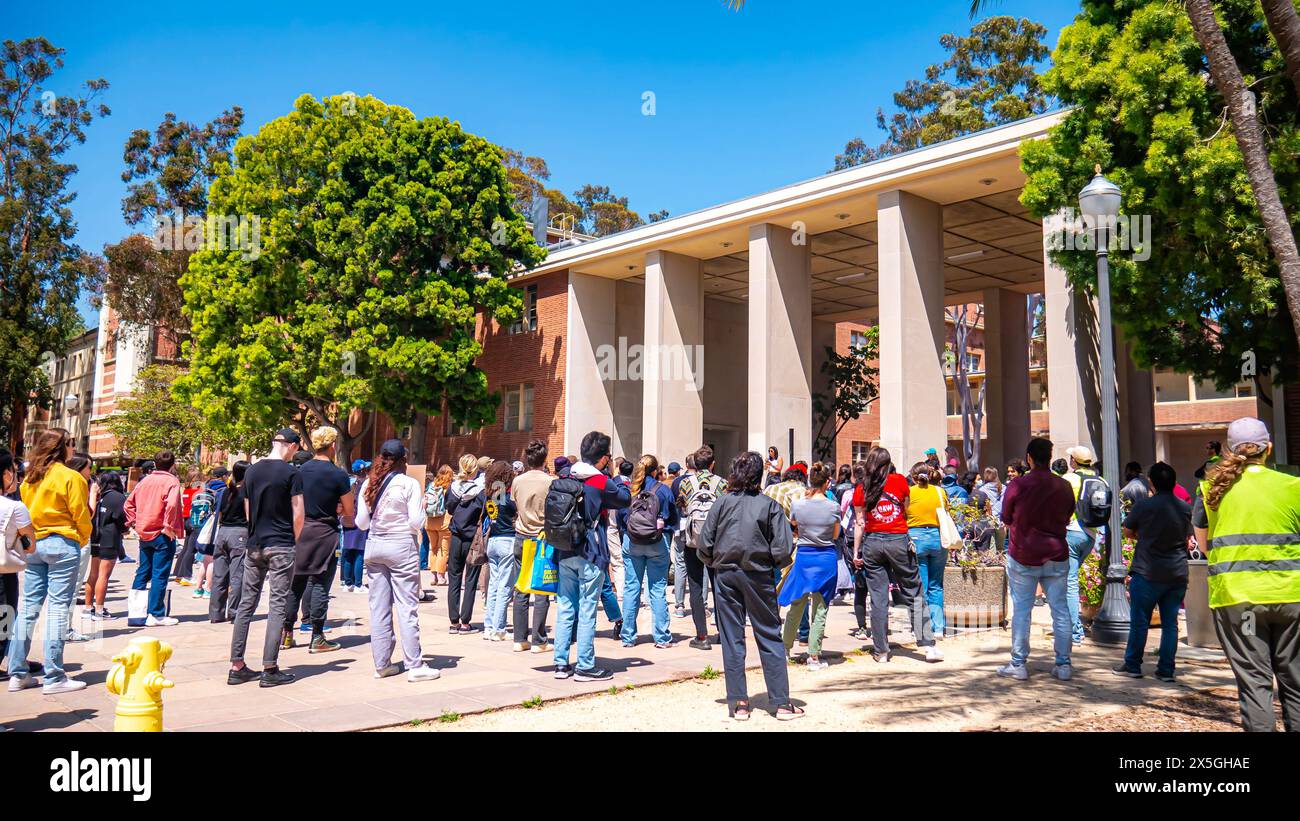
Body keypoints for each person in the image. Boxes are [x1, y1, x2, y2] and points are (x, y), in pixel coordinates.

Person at [1192, 417, 1300, 731]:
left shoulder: (1212, 488)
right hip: (1292, 596)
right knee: (1295, 679)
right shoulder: (1293, 485)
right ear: (1268, 447)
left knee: (1255, 682)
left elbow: (1205, 543)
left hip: (1240, 600)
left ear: (1230, 450)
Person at [699, 450, 800, 720]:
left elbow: (704, 543)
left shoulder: (721, 503)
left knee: (732, 637)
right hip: (757, 573)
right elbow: (783, 549)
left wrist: (716, 563)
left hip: (725, 573)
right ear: (759, 475)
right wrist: (770, 565)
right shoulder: (769, 506)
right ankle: (780, 702)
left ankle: (740, 703)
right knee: (768, 634)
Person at [7, 429, 91, 694]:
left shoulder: (30, 478)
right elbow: (81, 514)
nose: (73, 449)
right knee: (57, 608)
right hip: (62, 542)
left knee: (28, 607)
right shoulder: (71, 477)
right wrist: (81, 538)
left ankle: (17, 672)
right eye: (71, 444)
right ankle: (54, 676)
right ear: (61, 447)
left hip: (34, 543)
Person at [351, 439, 440, 682]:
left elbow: (361, 523)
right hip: (401, 544)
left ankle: (382, 664)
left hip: (375, 544)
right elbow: (415, 521)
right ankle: (415, 664)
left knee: (378, 607)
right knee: (406, 606)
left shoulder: (370, 483)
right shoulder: (409, 483)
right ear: (403, 459)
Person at [552, 431, 629, 682]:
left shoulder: (566, 474)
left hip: (564, 548)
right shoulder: (597, 480)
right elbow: (624, 499)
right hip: (590, 551)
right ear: (604, 458)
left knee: (565, 606)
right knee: (587, 609)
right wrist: (615, 477)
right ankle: (585, 665)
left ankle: (561, 664)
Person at [997, 437, 1076, 682]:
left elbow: (1006, 516)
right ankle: (1063, 664)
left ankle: (1018, 664)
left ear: (1029, 458)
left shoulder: (1018, 485)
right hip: (1056, 552)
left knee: (1022, 610)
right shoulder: (1062, 486)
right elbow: (1068, 514)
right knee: (1060, 610)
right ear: (1050, 457)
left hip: (1024, 553)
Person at [227, 429, 301, 687]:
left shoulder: (252, 471)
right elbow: (298, 511)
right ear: (291, 446)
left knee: (247, 603)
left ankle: (237, 665)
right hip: (281, 543)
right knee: (277, 604)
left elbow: (248, 511)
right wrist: (294, 538)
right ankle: (270, 668)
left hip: (255, 543)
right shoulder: (292, 473)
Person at [1113, 461, 1190, 682]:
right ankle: (1166, 670)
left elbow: (1127, 531)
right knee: (1170, 624)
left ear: (1152, 482)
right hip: (1176, 571)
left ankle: (1133, 664)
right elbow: (1185, 537)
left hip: (1146, 571)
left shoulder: (1143, 506)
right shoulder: (1183, 508)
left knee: (1139, 621)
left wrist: (1144, 536)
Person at [852, 447, 929, 663]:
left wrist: (856, 551)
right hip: (898, 540)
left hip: (873, 542)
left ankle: (882, 650)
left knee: (878, 598)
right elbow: (905, 508)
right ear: (887, 464)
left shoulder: (862, 487)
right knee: (914, 589)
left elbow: (860, 522)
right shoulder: (900, 482)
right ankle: (927, 644)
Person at [286, 426, 353, 653]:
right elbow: (349, 509)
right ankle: (317, 636)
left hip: (299, 531)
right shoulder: (338, 474)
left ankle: (286, 633)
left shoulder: (299, 471)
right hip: (325, 532)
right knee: (320, 584)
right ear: (333, 445)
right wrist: (337, 509)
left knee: (295, 584)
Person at [780, 462, 840, 670]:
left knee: (797, 605)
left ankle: (785, 648)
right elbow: (835, 534)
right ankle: (814, 655)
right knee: (821, 608)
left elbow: (794, 525)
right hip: (825, 557)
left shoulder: (798, 504)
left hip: (804, 556)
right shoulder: (833, 506)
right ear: (827, 482)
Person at [620, 454, 675, 648]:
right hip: (656, 543)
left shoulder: (631, 490)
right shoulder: (663, 490)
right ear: (655, 471)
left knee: (631, 588)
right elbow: (672, 519)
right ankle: (661, 637)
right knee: (657, 589)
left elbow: (622, 518)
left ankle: (627, 636)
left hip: (632, 541)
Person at [124, 450, 184, 627]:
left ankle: (136, 613)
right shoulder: (171, 481)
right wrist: (168, 526)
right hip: (161, 533)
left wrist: (134, 522)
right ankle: (156, 614)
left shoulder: (144, 481)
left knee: (143, 571)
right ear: (172, 465)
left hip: (144, 532)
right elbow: (172, 504)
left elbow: (128, 504)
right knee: (160, 573)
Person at [676, 445, 726, 651]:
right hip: (715, 541)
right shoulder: (722, 483)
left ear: (695, 464)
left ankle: (702, 636)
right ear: (713, 463)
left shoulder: (686, 483)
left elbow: (683, 506)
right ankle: (724, 633)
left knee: (696, 586)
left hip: (692, 540)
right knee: (719, 587)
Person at [510, 439, 554, 653]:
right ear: (544, 459)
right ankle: (538, 639)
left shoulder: (518, 481)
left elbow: (513, 504)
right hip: (542, 537)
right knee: (541, 587)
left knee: (521, 586)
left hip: (521, 535)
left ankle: (519, 638)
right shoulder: (549, 481)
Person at [1, 448, 38, 686]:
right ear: (6, 474)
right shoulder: (14, 508)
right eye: (15, 472)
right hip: (3, 577)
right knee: (3, 631)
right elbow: (31, 545)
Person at [906, 461, 948, 661]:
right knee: (936, 586)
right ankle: (938, 626)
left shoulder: (910, 493)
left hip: (916, 538)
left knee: (919, 587)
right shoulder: (940, 492)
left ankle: (924, 629)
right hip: (938, 537)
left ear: (913, 477)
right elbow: (946, 513)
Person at [1063, 445, 1105, 645]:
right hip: (1091, 535)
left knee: (1069, 582)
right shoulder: (1101, 480)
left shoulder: (1070, 479)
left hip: (1071, 533)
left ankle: (1075, 632)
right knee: (1070, 580)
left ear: (1073, 461)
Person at [445, 454, 485, 633]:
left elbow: (449, 508)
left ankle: (453, 621)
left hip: (455, 536)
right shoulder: (480, 490)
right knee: (470, 579)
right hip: (473, 538)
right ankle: (465, 621)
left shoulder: (453, 488)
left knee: (454, 577)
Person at [210, 461, 250, 622]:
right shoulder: (246, 493)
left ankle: (216, 613)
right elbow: (249, 516)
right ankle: (234, 612)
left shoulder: (225, 492)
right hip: (239, 533)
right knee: (237, 575)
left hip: (223, 532)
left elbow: (219, 514)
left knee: (219, 575)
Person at [482, 460, 517, 641]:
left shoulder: (489, 495)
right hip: (507, 540)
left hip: (493, 540)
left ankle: (489, 627)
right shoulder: (505, 496)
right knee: (504, 586)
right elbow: (513, 511)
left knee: (494, 586)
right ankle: (499, 628)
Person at [85, 471, 126, 620]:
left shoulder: (97, 496)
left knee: (93, 574)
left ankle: (88, 607)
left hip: (95, 536)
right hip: (110, 538)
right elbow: (122, 519)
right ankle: (99, 610)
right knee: (104, 576)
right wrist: (125, 530)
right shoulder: (118, 497)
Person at [340, 459, 370, 592]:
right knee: (359, 553)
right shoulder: (366, 486)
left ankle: (347, 584)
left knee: (348, 553)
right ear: (364, 471)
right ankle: (358, 584)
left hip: (347, 521)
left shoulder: (349, 484)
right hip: (359, 522)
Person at [423, 464, 452, 587]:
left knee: (433, 548)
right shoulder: (449, 488)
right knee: (443, 550)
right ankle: (441, 576)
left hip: (430, 521)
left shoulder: (432, 486)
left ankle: (433, 575)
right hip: (444, 522)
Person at [668, 458, 690, 619]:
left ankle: (679, 605)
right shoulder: (710, 480)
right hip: (699, 529)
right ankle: (703, 605)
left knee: (680, 563)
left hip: (679, 525)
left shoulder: (676, 482)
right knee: (702, 565)